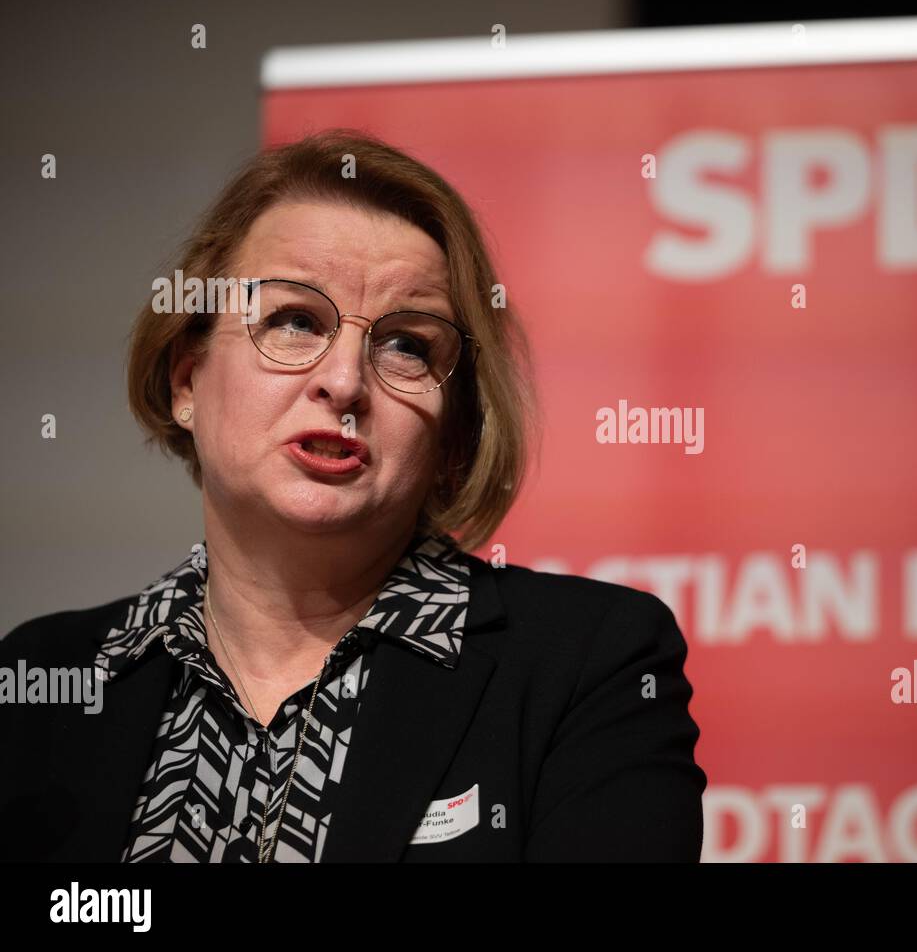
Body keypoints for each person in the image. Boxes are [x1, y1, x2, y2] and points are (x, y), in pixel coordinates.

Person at [0, 129, 706, 862]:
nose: (344, 383)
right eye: (295, 321)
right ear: (187, 380)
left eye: (407, 344)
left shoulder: (589, 663)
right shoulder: (46, 676)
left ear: (453, 438)